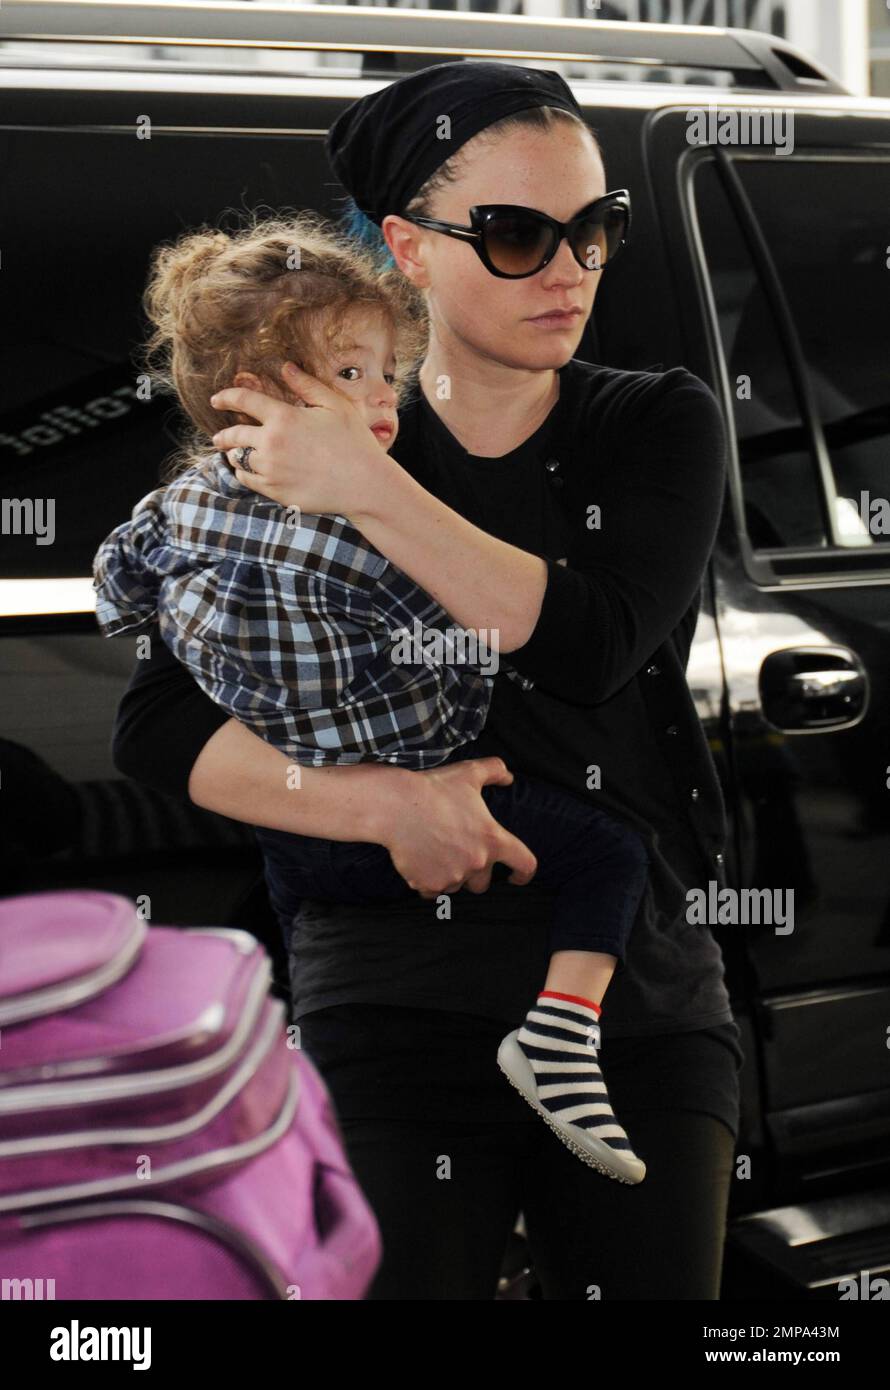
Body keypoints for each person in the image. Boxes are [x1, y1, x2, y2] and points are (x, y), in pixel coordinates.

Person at [111, 60, 745, 1299]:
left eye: (594, 228)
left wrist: (366, 484)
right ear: (405, 244)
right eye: (515, 233)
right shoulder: (300, 436)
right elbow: (158, 727)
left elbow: (589, 639)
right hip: (389, 1000)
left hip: (633, 1007)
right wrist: (388, 808)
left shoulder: (647, 420)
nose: (568, 269)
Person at [92, 211, 652, 1184]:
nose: (384, 397)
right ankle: (560, 1036)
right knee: (608, 852)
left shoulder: (177, 507)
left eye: (386, 370)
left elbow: (117, 581)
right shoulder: (358, 522)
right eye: (351, 374)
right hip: (421, 837)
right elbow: (470, 639)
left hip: (308, 876)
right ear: (261, 390)